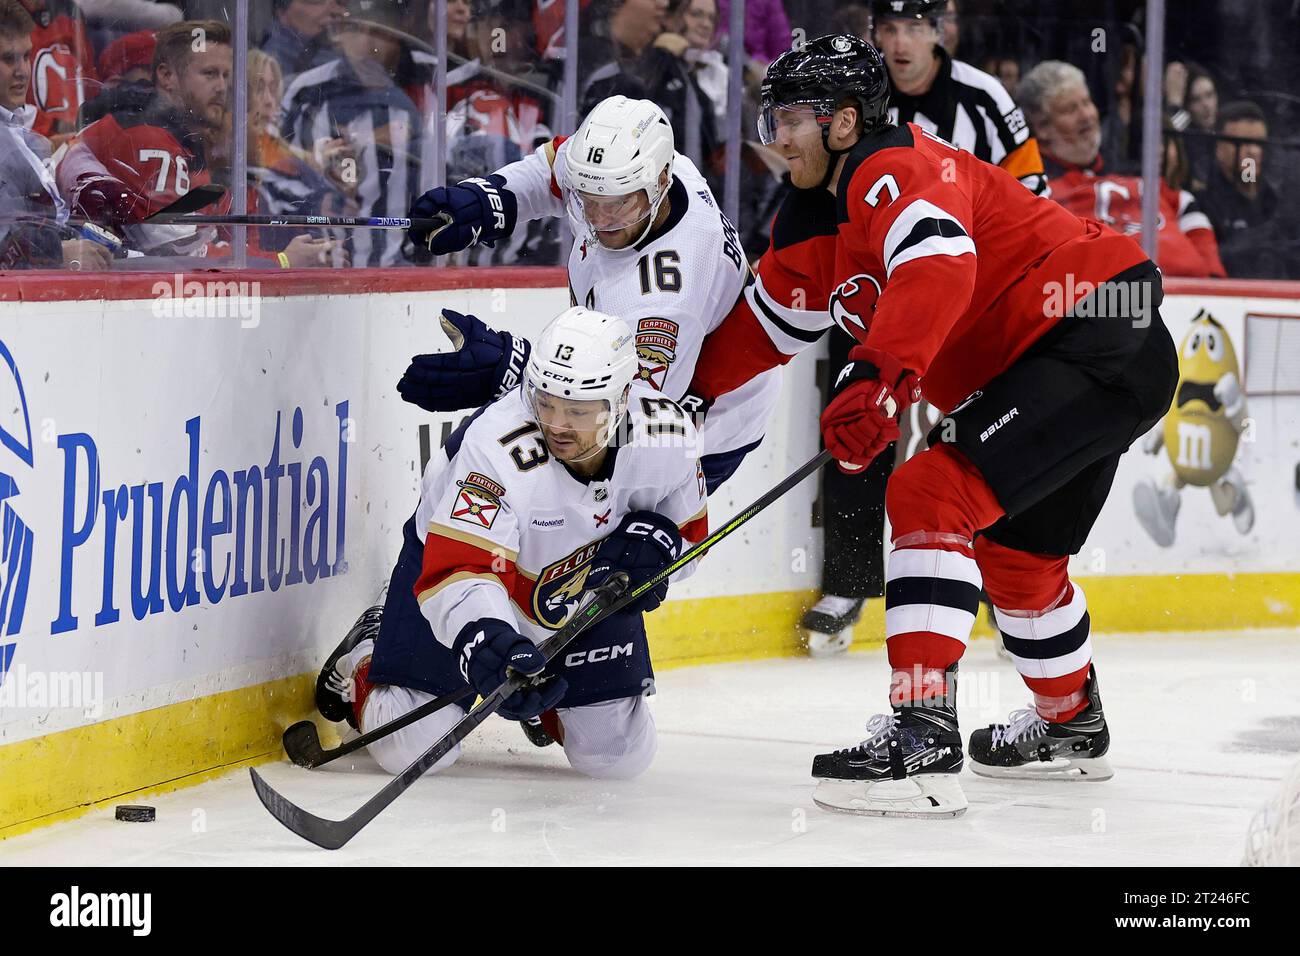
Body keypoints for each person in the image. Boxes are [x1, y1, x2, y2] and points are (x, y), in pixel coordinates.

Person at [693, 34, 1178, 815]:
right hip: (1084, 353)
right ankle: (1071, 724)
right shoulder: (809, 222)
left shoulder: (895, 167)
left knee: (928, 492)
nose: (774, 136)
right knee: (1017, 559)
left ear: (843, 122)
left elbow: (939, 266)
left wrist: (876, 378)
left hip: (1091, 328)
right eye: (770, 117)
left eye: (790, 118)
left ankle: (922, 734)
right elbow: (758, 332)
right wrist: (674, 399)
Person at [314, 307, 709, 780]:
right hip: (460, 574)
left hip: (573, 590)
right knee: (413, 749)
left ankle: (547, 702)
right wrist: (489, 640)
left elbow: (691, 540)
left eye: (578, 411)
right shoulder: (495, 447)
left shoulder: (667, 436)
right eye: (546, 403)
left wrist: (661, 549)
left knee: (617, 757)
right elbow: (461, 568)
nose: (557, 424)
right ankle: (369, 648)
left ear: (622, 400)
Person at [796, 0, 1050, 656]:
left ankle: (998, 591)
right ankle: (850, 583)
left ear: (940, 33)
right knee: (856, 426)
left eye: (914, 28)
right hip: (875, 292)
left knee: (988, 439)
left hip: (969, 300)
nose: (900, 43)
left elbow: (1031, 193)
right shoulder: (854, 95)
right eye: (888, 29)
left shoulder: (983, 98)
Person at [404, 95, 772, 496]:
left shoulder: (664, 301)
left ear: (660, 183)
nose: (597, 220)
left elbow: (628, 421)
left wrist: (513, 366)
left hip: (699, 428)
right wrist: (489, 199)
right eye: (587, 201)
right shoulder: (638, 169)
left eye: (616, 206)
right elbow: (555, 167)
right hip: (633, 395)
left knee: (570, 514)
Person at [1018, 60, 1225, 279]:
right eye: (1070, 109)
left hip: (1190, 291)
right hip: (1111, 295)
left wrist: (1214, 280)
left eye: (1086, 102)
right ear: (1042, 127)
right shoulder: (1037, 191)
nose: (1086, 115)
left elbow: (1185, 206)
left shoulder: (1130, 168)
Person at [55, 18, 233, 258]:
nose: (222, 87)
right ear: (167, 76)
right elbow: (182, 254)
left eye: (226, 75)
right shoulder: (144, 135)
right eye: (210, 74)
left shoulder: (182, 141)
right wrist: (278, 259)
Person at [280, 1, 423, 266]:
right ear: (340, 33)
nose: (369, 43)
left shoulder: (406, 107)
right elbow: (277, 167)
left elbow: (420, 196)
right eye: (357, 29)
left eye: (379, 32)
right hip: (318, 265)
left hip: (390, 268)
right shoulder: (306, 91)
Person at [0, 0, 110, 270]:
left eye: (26, 56)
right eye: (8, 59)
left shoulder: (27, 138)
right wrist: (58, 254)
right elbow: (5, 240)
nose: (21, 71)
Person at [1193, 100, 1299, 280]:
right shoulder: (1202, 204)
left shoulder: (1279, 199)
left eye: (1259, 143)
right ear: (1219, 148)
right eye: (1243, 143)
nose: (1253, 152)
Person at [260, 0, 345, 84]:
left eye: (340, 2)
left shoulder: (339, 50)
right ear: (282, 12)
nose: (336, 11)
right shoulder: (274, 61)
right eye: (317, 1)